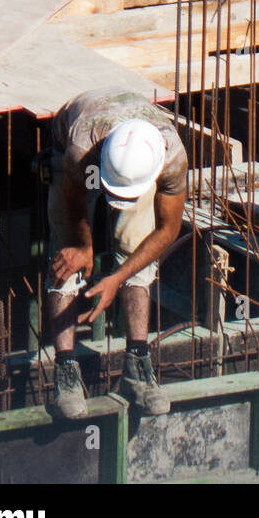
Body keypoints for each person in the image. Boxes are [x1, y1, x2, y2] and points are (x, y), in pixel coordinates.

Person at [46, 88, 188, 419]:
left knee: (135, 245)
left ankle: (137, 364)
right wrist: (84, 247)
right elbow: (73, 200)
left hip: (124, 154)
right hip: (75, 158)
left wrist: (117, 278)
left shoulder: (170, 156)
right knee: (66, 257)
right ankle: (66, 372)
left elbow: (167, 230)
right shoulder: (82, 146)